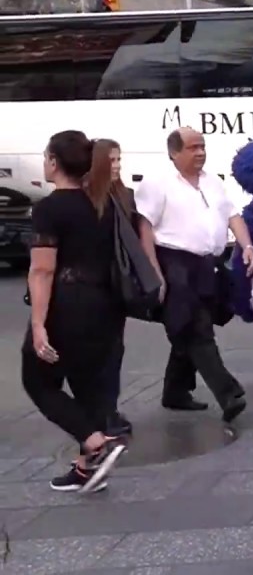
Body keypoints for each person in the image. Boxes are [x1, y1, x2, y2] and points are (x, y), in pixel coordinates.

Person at [22, 130, 129, 492]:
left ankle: (95, 440)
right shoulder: (102, 202)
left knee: (38, 381)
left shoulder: (50, 208)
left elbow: (43, 269)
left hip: (67, 305)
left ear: (54, 162)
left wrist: (38, 324)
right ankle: (86, 467)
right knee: (87, 385)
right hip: (105, 306)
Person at [136, 127, 250, 424]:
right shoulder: (157, 183)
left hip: (206, 263)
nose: (200, 152)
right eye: (192, 148)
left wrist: (247, 245)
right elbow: (145, 227)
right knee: (196, 327)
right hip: (173, 262)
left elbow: (232, 215)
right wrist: (155, 272)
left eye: (202, 147)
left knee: (187, 327)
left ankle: (175, 392)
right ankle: (228, 394)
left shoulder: (213, 182)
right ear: (174, 152)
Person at [85, 138, 156, 437]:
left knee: (114, 350)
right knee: (98, 352)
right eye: (111, 161)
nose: (117, 166)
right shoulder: (85, 198)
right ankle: (99, 415)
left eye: (118, 160)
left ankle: (108, 410)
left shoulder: (124, 195)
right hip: (91, 287)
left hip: (118, 283)